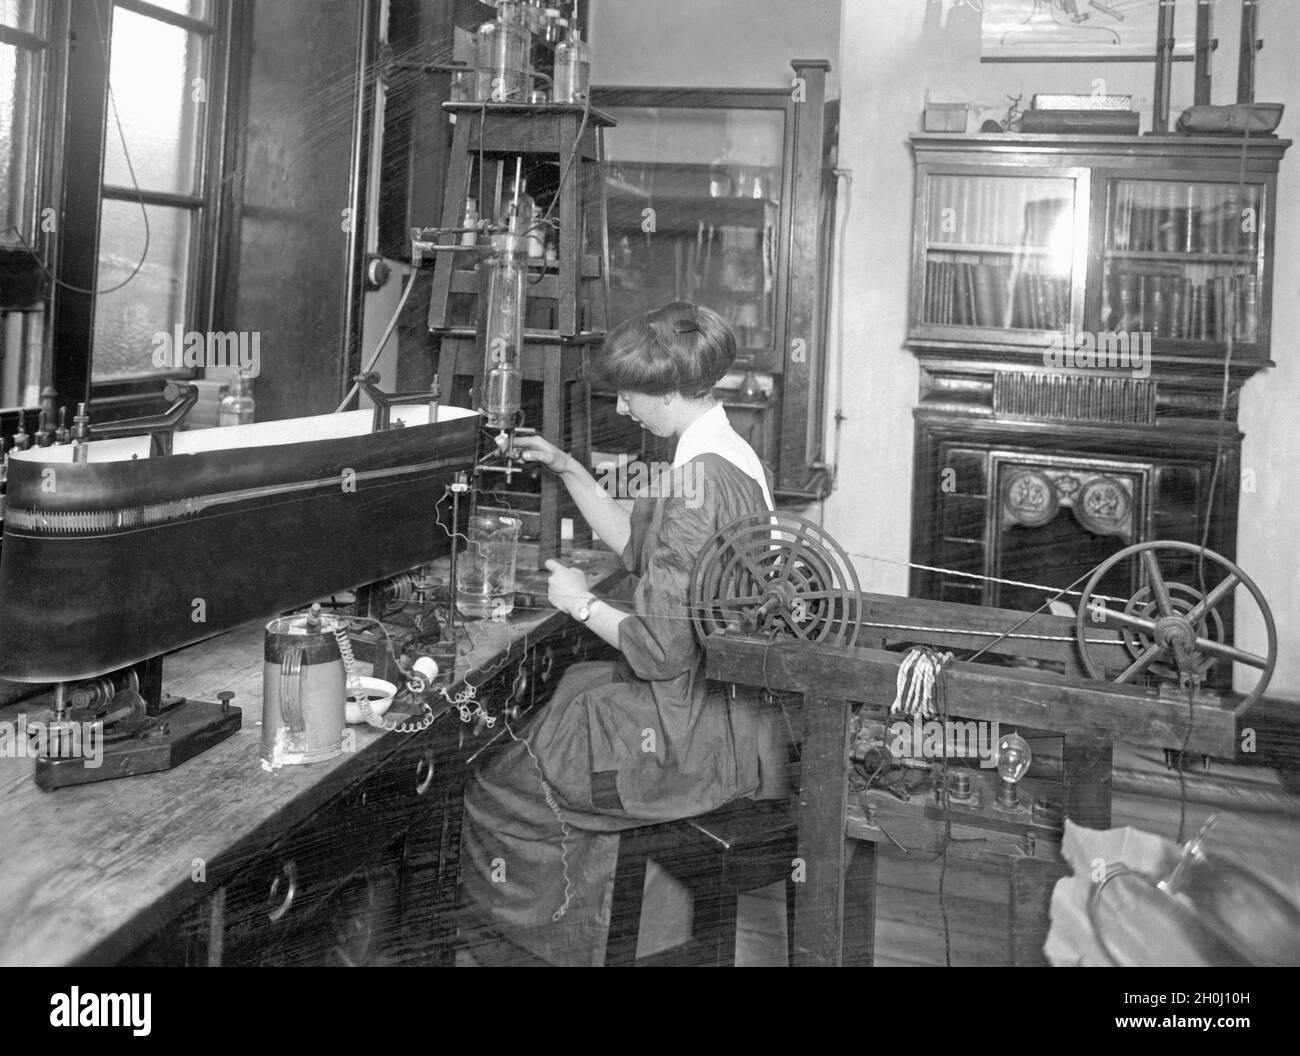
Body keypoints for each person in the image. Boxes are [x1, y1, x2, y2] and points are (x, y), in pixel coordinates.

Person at [458, 300, 786, 966]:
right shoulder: (724, 453)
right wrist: (567, 466)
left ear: (668, 392)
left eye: (632, 396)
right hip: (731, 718)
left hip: (688, 737)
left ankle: (534, 950)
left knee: (497, 782)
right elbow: (642, 548)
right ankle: (590, 932)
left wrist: (578, 603)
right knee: (567, 701)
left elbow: (661, 649)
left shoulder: (697, 483)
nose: (625, 408)